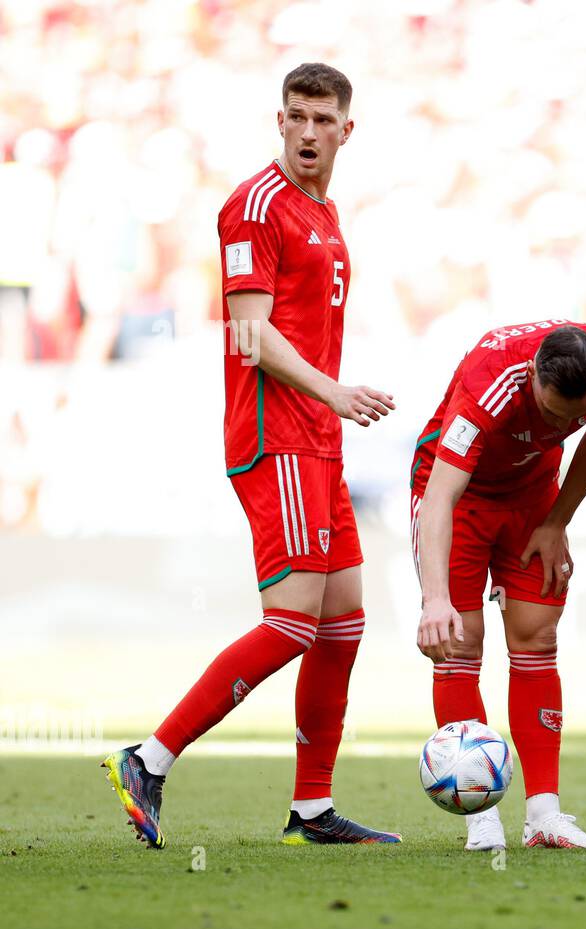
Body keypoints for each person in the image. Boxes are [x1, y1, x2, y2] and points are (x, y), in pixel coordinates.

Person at [102, 63, 400, 847]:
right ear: (279, 120)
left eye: (323, 118)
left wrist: (332, 406)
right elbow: (248, 334)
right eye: (296, 116)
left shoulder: (325, 212)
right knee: (295, 625)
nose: (308, 131)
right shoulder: (255, 205)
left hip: (320, 442)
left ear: (346, 129)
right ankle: (149, 757)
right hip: (279, 436)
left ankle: (310, 810)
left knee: (342, 627)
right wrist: (333, 392)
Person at [412, 320, 586, 851]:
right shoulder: (488, 385)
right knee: (459, 646)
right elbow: (440, 494)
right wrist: (434, 598)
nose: (563, 423)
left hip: (534, 496)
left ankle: (543, 816)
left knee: (537, 636)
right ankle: (481, 817)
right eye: (552, 412)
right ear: (532, 374)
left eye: (574, 414)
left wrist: (557, 521)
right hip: (460, 499)